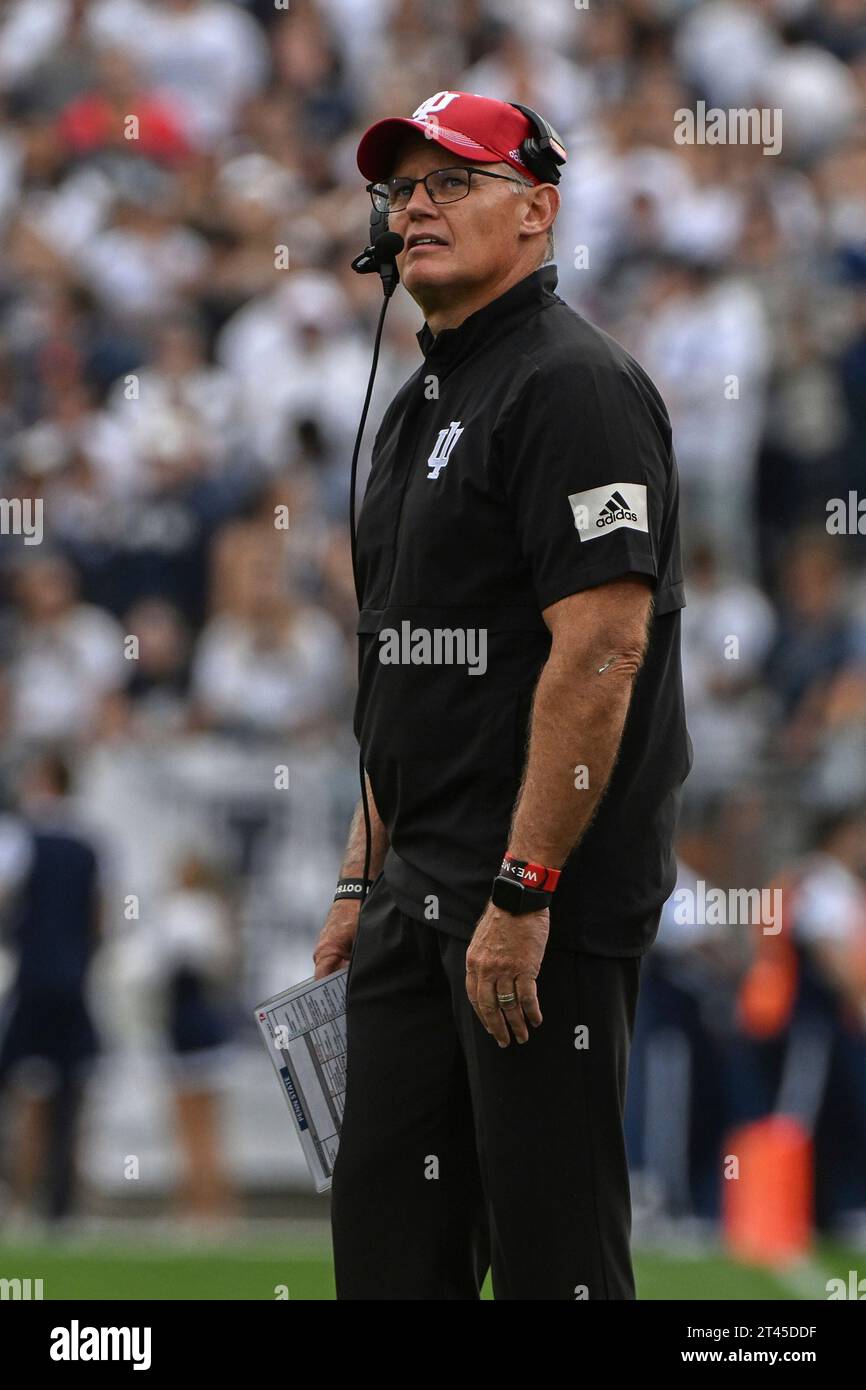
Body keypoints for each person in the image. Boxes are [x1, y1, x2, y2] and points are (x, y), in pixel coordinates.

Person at [314, 91, 692, 1300]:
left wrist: (524, 889)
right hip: (414, 893)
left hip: (531, 899)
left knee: (553, 1263)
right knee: (386, 1257)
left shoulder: (572, 386)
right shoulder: (421, 397)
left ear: (536, 212)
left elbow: (601, 647)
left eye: (452, 181)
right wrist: (355, 876)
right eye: (401, 186)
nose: (415, 205)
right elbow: (400, 668)